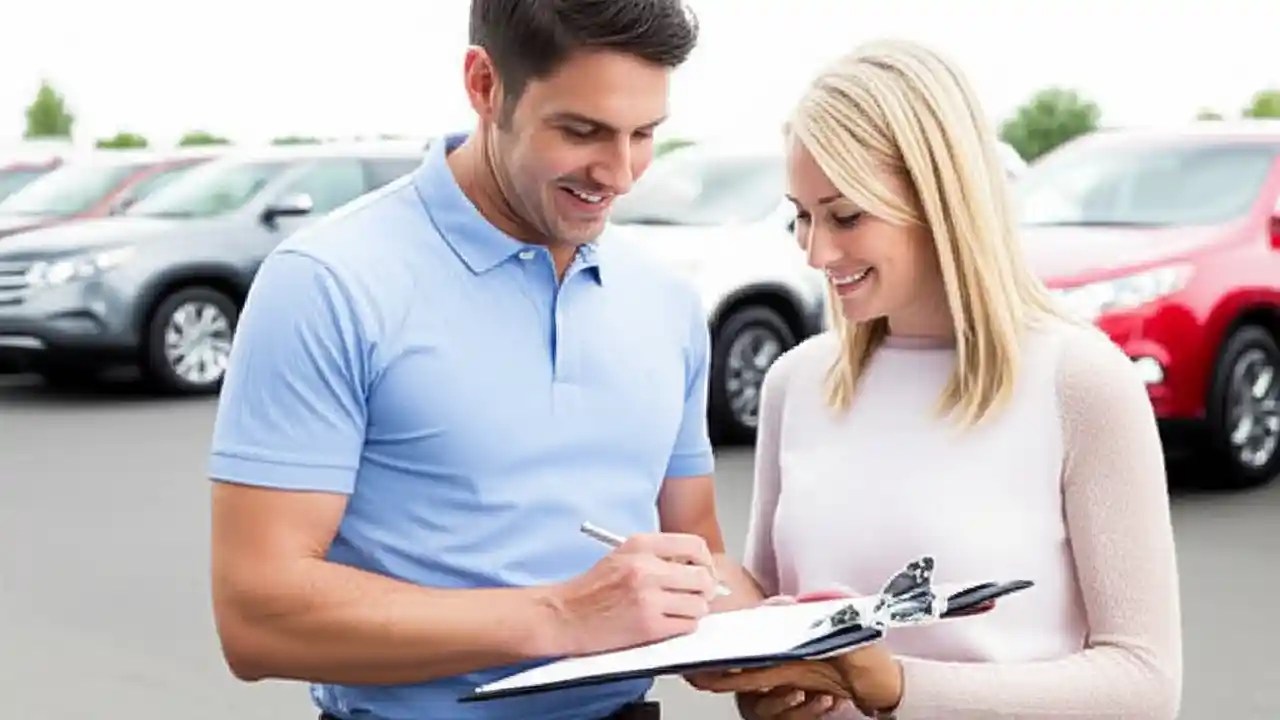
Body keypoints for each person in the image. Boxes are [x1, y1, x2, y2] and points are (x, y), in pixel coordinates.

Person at [205, 2, 764, 719]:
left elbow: (697, 557)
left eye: (644, 134)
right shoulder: (327, 281)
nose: (620, 174)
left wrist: (776, 635)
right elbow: (258, 618)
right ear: (483, 84)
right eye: (581, 130)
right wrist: (562, 617)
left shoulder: (668, 303)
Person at [688, 39, 1183, 719]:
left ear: (940, 197)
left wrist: (893, 686)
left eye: (845, 215)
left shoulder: (1081, 382)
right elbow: (776, 632)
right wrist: (760, 683)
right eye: (800, 216)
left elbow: (1144, 684)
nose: (815, 250)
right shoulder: (794, 383)